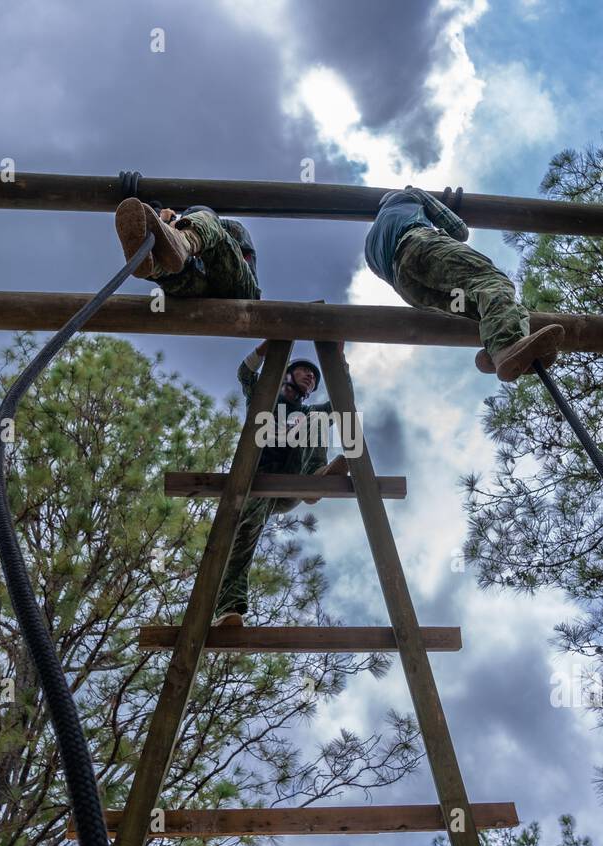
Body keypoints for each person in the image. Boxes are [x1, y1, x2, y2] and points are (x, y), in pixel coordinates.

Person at [212, 340, 348, 628]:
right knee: (245, 533)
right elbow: (245, 373)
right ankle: (228, 610)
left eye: (314, 377)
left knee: (317, 419)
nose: (310, 376)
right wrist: (269, 345)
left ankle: (317, 481)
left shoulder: (308, 412)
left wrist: (339, 360)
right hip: (257, 479)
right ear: (286, 374)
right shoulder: (265, 398)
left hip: (292, 482)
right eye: (304, 371)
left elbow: (341, 403)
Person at [364, 186, 563, 380]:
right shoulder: (410, 195)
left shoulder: (369, 247)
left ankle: (500, 354)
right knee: (493, 283)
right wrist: (433, 202)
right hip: (420, 245)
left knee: (479, 305)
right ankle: (505, 345)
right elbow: (459, 231)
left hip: (410, 289)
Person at [114, 198, 260, 300]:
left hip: (239, 290)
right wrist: (162, 223)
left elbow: (233, 258)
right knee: (175, 263)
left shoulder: (230, 228)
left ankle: (185, 240)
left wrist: (177, 227)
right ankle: (152, 262)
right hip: (199, 288)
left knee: (207, 226)